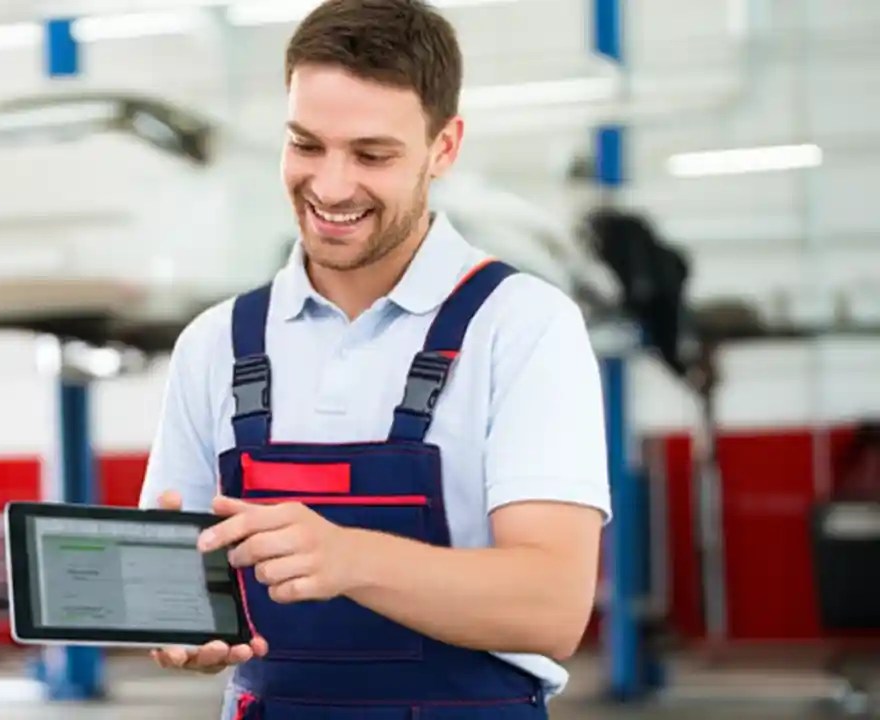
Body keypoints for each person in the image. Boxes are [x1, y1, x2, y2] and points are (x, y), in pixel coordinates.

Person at [137, 0, 611, 717]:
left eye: (371, 155)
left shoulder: (522, 327)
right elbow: (177, 601)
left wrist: (349, 559)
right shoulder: (215, 343)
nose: (330, 187)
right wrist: (180, 631)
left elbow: (551, 608)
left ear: (443, 147)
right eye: (306, 145)